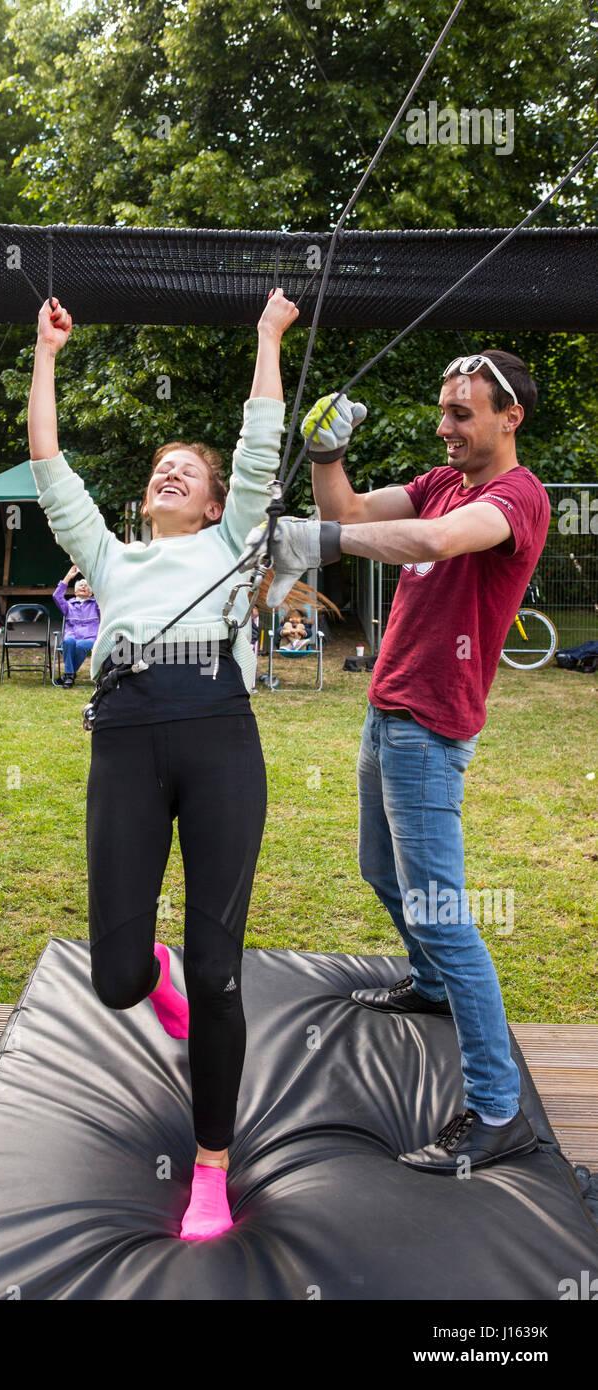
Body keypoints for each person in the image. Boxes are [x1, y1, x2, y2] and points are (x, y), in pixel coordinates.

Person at [28, 287, 300, 1239]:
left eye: (189, 469)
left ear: (219, 501)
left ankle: (212, 1169)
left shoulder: (234, 543)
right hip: (127, 743)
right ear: (147, 498)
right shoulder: (111, 559)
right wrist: (48, 353)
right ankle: (154, 979)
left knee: (219, 970)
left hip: (221, 738)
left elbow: (262, 445)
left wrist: (268, 337)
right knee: (114, 976)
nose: (171, 474)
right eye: (161, 469)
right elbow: (50, 468)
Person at [259, 351, 550, 1173]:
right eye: (443, 408)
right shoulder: (438, 478)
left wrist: (322, 538)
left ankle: (498, 1113)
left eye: (462, 412)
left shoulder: (516, 498)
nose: (444, 425)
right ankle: (425, 982)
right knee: (379, 870)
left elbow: (430, 540)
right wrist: (325, 457)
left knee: (444, 913)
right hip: (389, 708)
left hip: (432, 726)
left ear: (508, 417)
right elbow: (349, 510)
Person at [53, 565, 100, 686]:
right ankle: (70, 675)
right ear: (74, 592)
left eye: (87, 585)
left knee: (81, 646)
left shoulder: (96, 604)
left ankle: (68, 675)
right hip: (72, 635)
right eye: (81, 585)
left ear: (91, 593)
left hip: (90, 637)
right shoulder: (68, 605)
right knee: (68, 641)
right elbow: (56, 596)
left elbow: (105, 594)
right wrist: (68, 577)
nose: (84, 586)